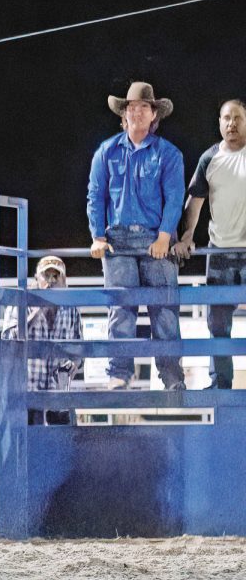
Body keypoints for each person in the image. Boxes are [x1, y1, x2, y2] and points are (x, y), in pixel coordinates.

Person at [86, 81, 186, 390]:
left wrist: (165, 236)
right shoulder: (107, 151)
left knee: (164, 310)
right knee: (121, 309)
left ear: (154, 114)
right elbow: (95, 195)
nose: (137, 112)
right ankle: (119, 372)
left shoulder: (168, 154)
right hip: (117, 240)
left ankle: (171, 376)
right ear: (124, 114)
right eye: (131, 107)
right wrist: (97, 236)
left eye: (144, 107)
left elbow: (174, 197)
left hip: (155, 238)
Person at [174, 99, 246, 389]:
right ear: (219, 122)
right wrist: (187, 235)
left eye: (238, 118)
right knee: (217, 322)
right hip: (220, 251)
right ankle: (221, 382)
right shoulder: (210, 158)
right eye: (227, 118)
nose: (232, 124)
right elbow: (195, 201)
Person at [0, 257, 84, 425]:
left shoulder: (71, 308)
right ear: (36, 279)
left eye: (56, 276)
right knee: (25, 439)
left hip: (58, 396)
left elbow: (80, 348)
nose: (51, 281)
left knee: (62, 439)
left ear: (64, 281)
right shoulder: (20, 304)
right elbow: (7, 342)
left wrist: (75, 363)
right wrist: (38, 309)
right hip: (26, 393)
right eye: (46, 275)